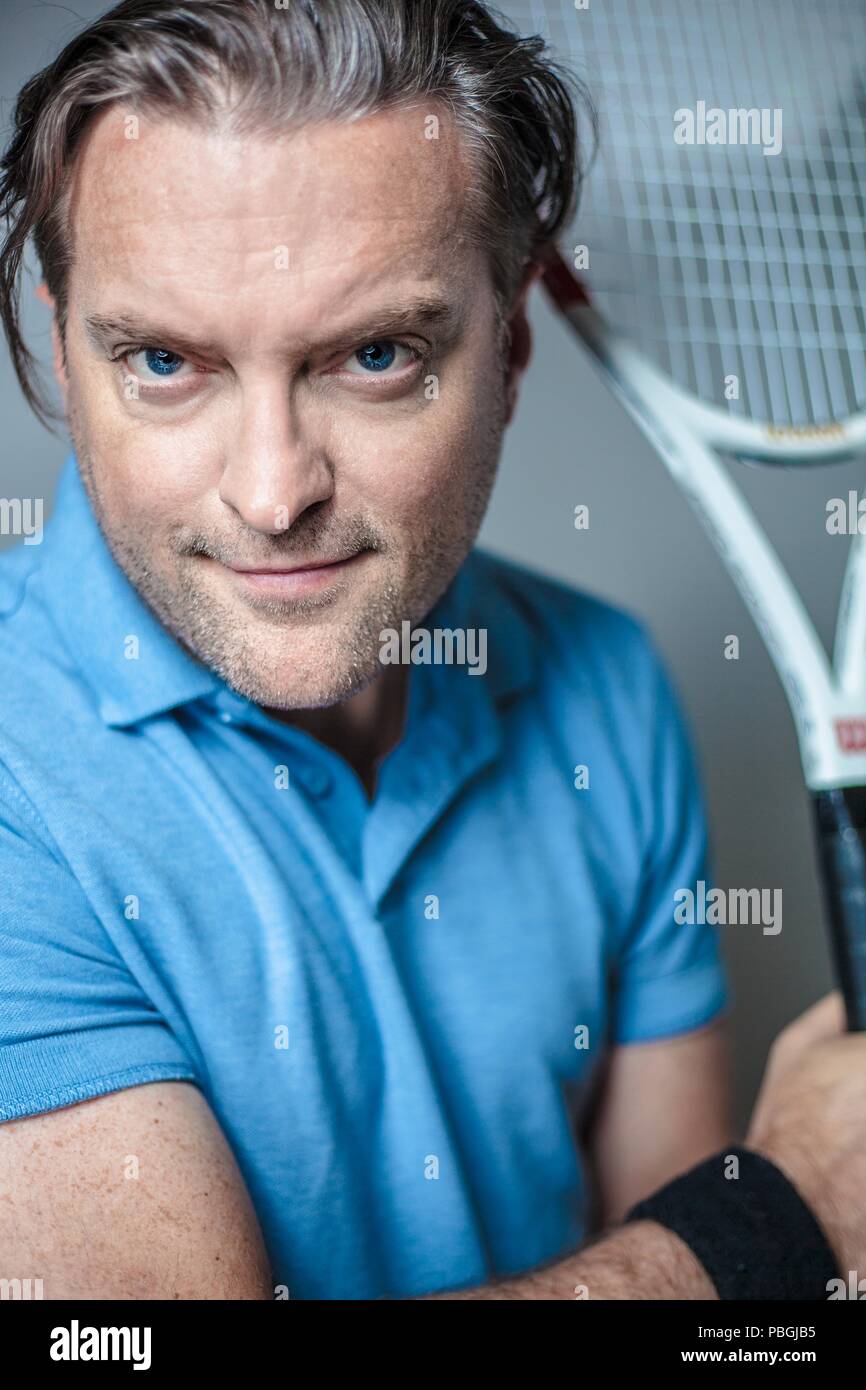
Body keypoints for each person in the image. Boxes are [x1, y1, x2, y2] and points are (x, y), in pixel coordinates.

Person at [0, 0, 857, 1301]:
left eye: (376, 355)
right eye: (166, 360)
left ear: (509, 347)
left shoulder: (605, 689)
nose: (273, 491)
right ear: (65, 351)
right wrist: (781, 1213)